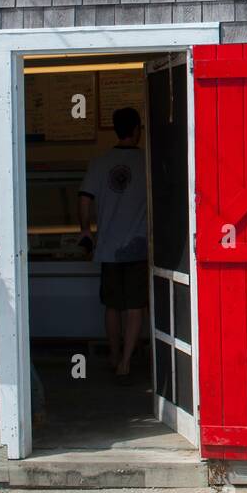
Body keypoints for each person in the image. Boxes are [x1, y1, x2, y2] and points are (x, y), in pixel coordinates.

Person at [78, 107, 149, 382]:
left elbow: (84, 198)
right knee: (134, 307)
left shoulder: (99, 163)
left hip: (108, 247)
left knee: (112, 305)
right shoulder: (147, 162)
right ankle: (127, 362)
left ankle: (114, 354)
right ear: (137, 129)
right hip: (138, 246)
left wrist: (86, 230)